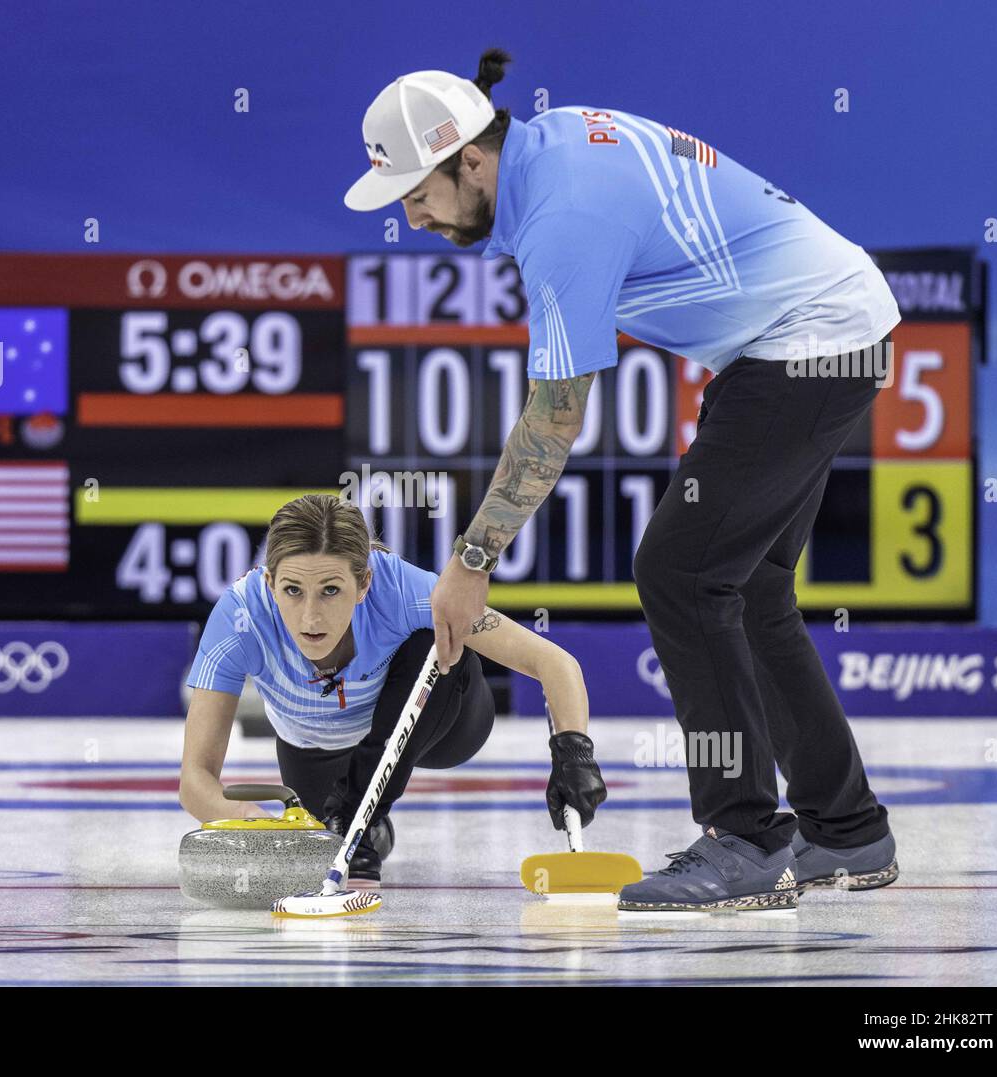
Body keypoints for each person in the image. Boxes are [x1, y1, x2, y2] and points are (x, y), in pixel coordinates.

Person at [343, 48, 899, 910]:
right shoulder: (550, 148)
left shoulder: (563, 216)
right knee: (751, 587)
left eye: (419, 195)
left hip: (809, 339)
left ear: (472, 161)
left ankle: (745, 835)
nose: (412, 217)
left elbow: (557, 419)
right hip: (812, 332)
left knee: (681, 572)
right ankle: (848, 829)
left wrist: (471, 559)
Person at [180, 494, 607, 883]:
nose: (311, 618)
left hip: (444, 729)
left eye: (331, 590)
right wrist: (249, 819)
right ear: (270, 583)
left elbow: (556, 663)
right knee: (337, 834)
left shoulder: (401, 589)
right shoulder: (239, 617)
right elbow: (195, 780)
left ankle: (360, 816)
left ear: (364, 583)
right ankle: (366, 824)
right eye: (293, 591)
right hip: (313, 750)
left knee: (434, 638)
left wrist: (574, 753)